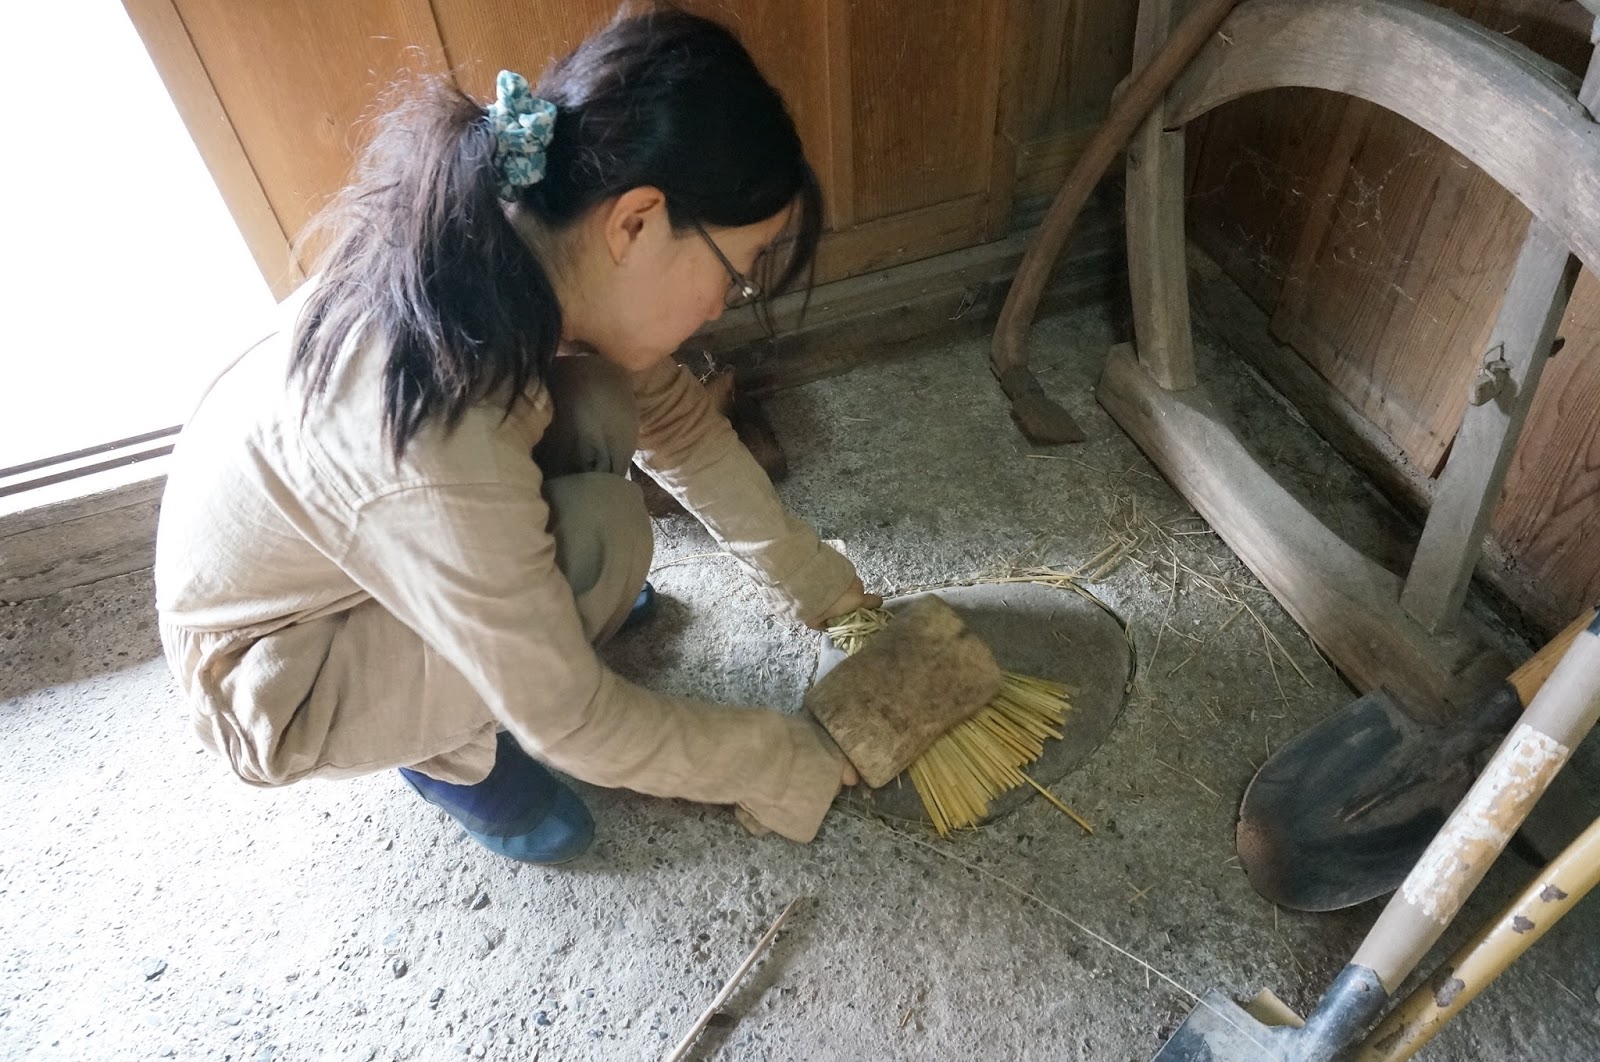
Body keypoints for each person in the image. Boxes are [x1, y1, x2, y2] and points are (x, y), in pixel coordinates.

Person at [153, 7, 880, 866]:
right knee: (602, 543)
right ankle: (445, 760)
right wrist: (775, 759)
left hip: (361, 546)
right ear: (637, 223)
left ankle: (514, 629)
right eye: (737, 271)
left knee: (604, 404)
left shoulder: (527, 234)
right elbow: (573, 719)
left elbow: (678, 422)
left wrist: (819, 586)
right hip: (283, 669)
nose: (724, 305)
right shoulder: (435, 422)